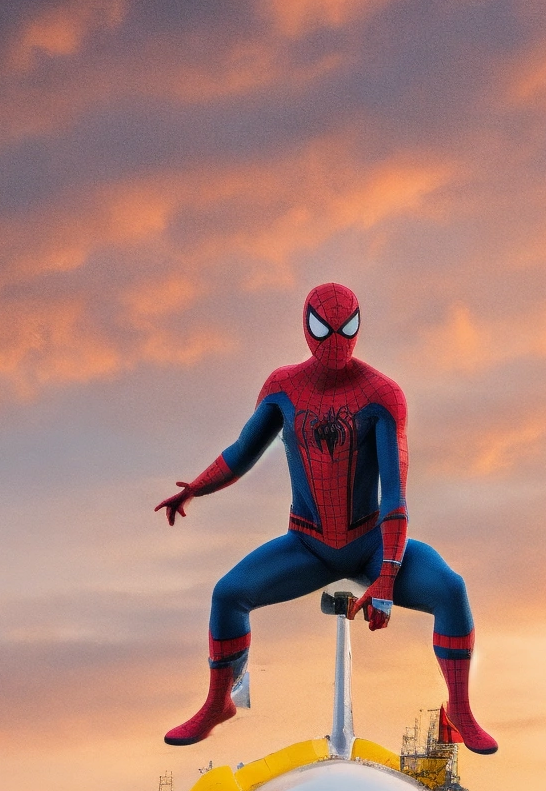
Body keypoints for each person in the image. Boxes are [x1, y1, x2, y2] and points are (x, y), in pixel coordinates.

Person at [157, 281, 495, 752]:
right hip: (307, 545)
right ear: (306, 327)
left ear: (358, 327)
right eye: (324, 328)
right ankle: (220, 703)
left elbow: (395, 495)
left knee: (451, 590)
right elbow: (240, 453)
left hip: (369, 544)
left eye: (346, 327)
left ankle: (459, 710)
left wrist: (387, 578)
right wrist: (196, 487)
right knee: (227, 595)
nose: (335, 341)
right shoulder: (282, 388)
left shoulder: (382, 395)